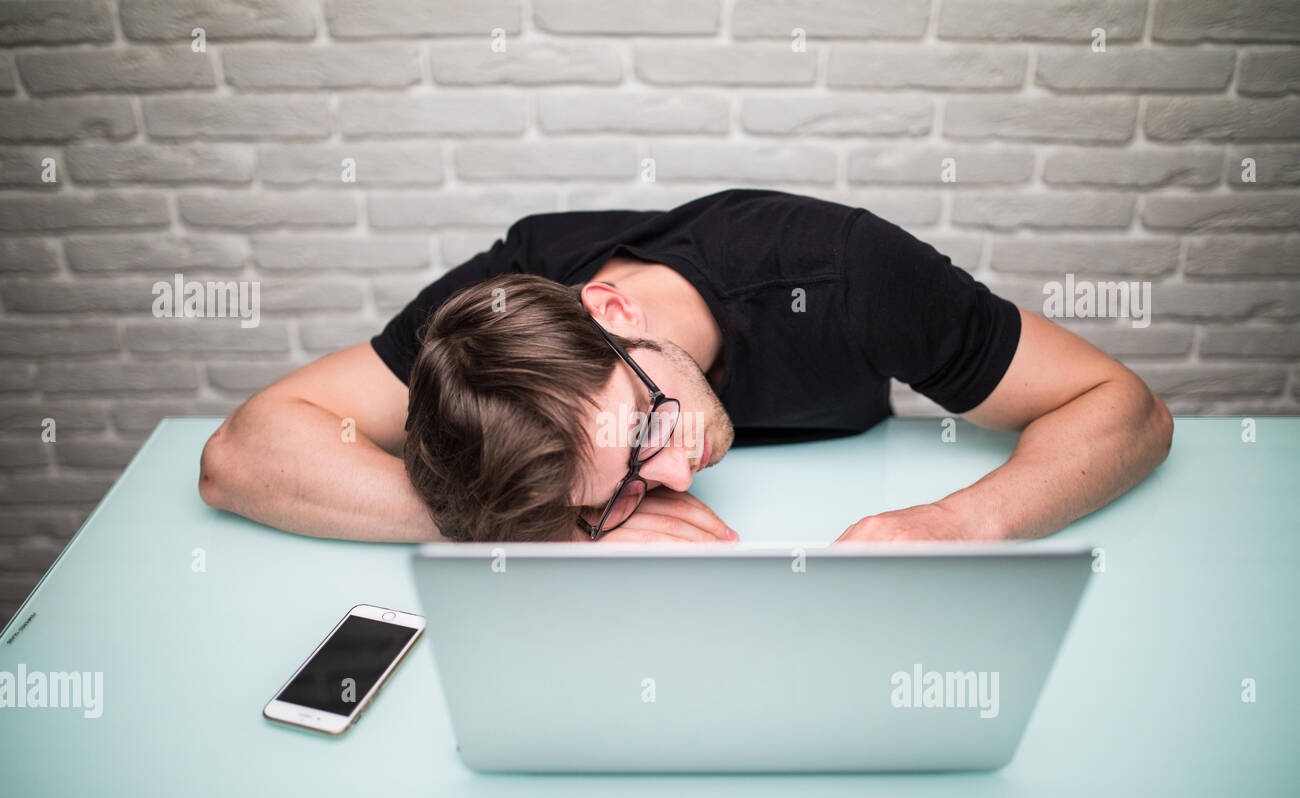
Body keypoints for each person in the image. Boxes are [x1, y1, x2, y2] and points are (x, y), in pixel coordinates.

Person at [198, 188, 1172, 544]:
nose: (670, 479)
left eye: (648, 429)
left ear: (614, 313)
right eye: (615, 489)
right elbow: (242, 454)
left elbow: (1122, 404)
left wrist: (961, 522)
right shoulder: (493, 327)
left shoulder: (849, 274)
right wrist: (540, 529)